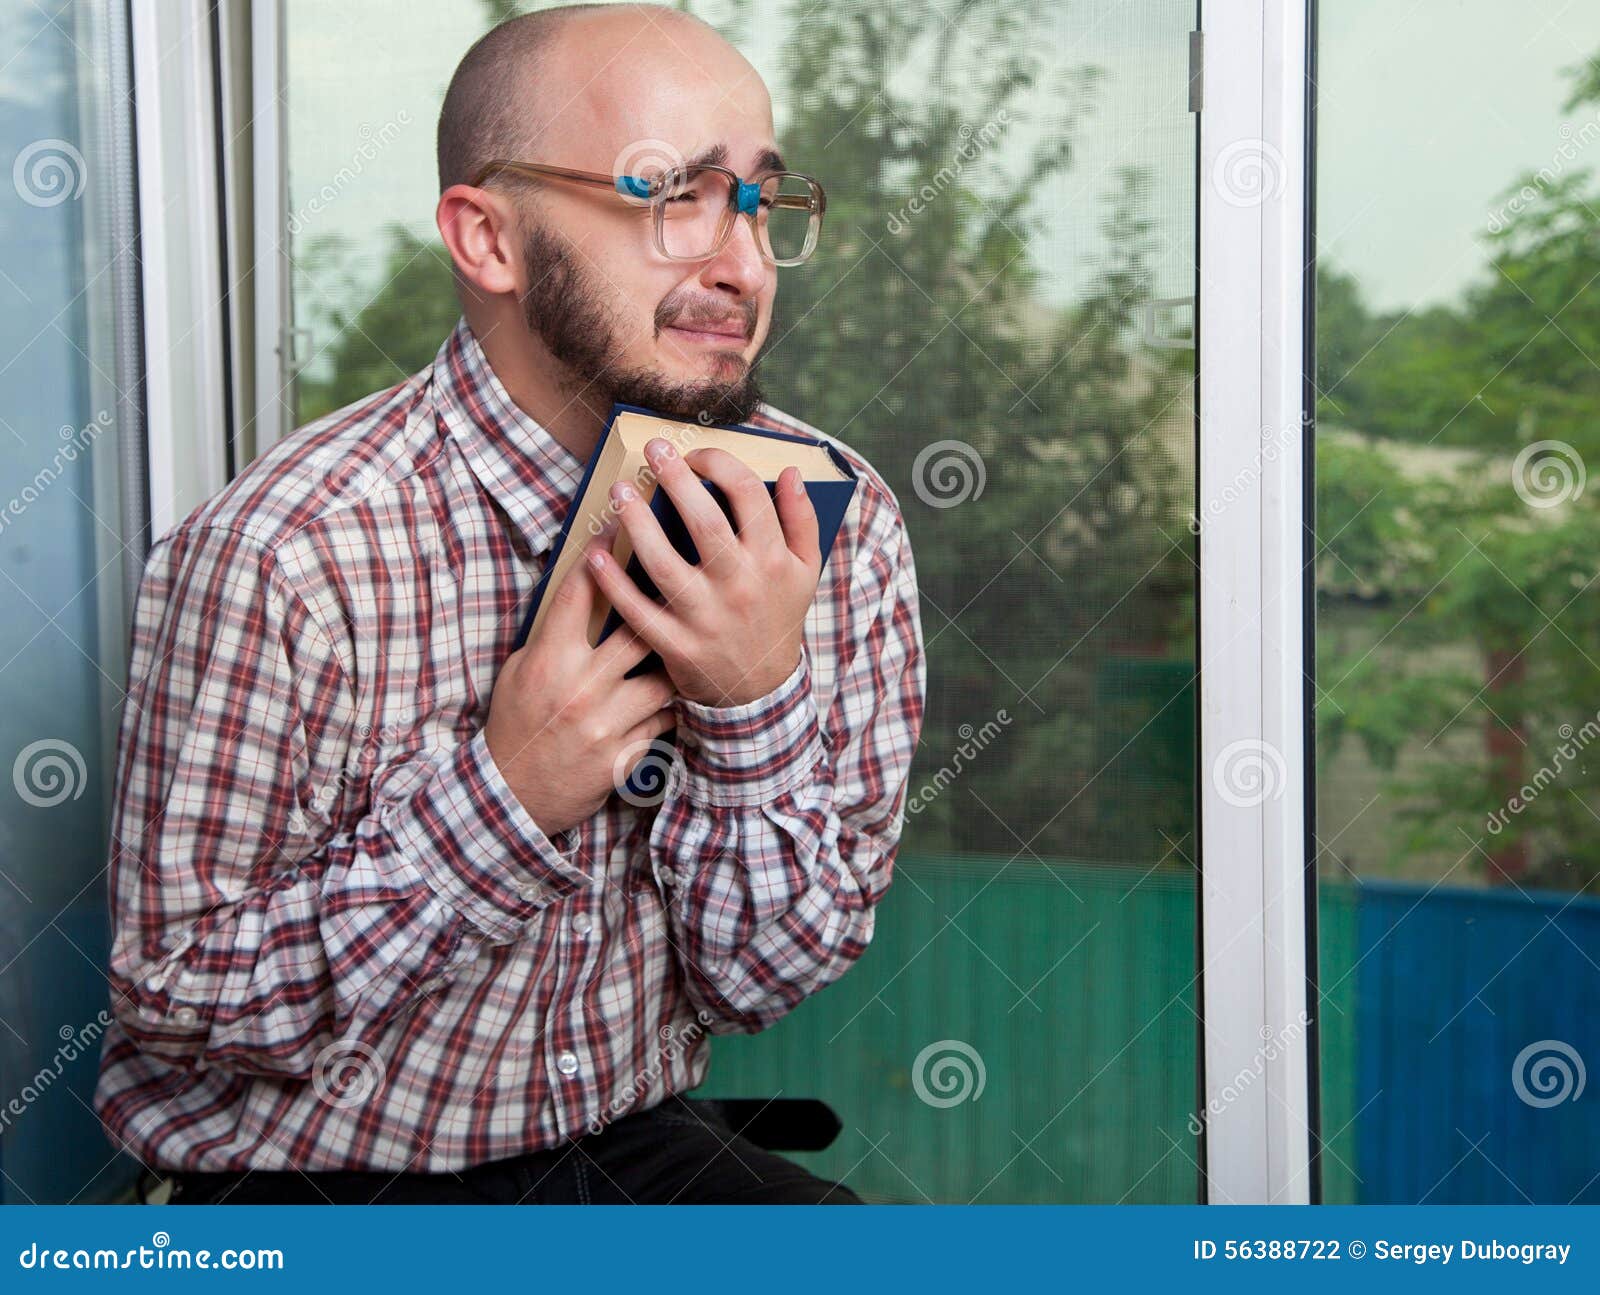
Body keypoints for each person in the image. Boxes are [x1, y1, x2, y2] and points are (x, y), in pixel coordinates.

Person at [94, 3, 924, 1205]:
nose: (741, 264)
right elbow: (177, 1000)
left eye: (756, 203)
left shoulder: (827, 525)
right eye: (670, 197)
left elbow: (761, 982)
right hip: (315, 1192)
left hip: (629, 1146)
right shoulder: (284, 556)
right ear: (488, 239)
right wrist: (503, 798)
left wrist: (750, 705)